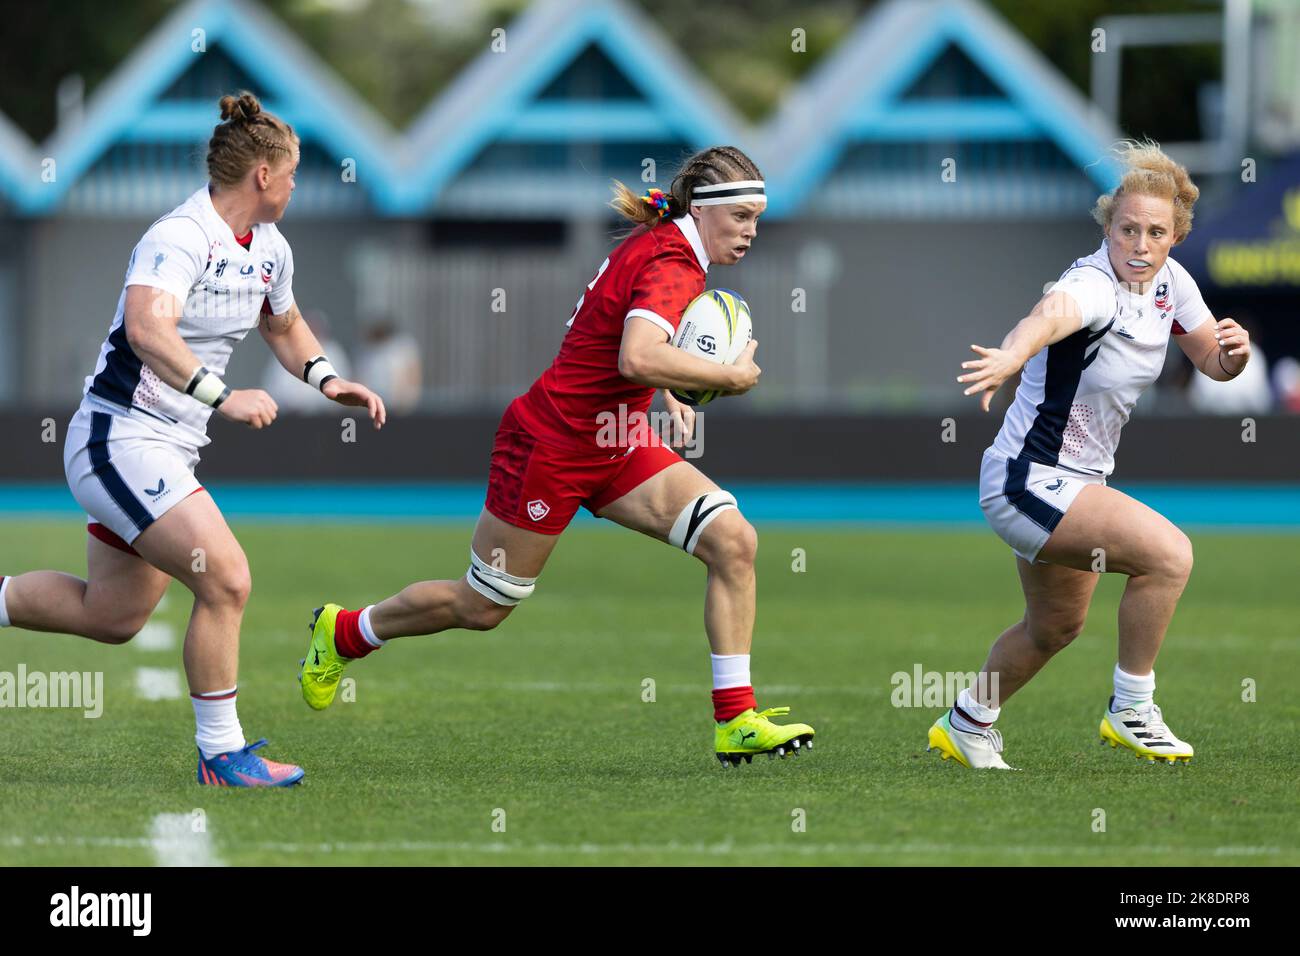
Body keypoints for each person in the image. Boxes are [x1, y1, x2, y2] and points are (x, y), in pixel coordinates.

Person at [298, 146, 815, 766]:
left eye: (758, 218)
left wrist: (674, 393)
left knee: (732, 540)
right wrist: (727, 377)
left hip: (616, 438)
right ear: (703, 212)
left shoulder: (671, 245)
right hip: (551, 445)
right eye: (742, 217)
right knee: (482, 606)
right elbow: (636, 356)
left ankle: (735, 720)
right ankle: (346, 632)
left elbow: (626, 351)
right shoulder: (673, 260)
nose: (752, 231)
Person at [0, 92, 387, 786]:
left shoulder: (270, 248)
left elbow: (283, 326)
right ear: (262, 175)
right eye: (293, 173)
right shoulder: (178, 235)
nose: (297, 186)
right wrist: (223, 395)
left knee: (113, 614)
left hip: (165, 445)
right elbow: (150, 332)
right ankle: (221, 754)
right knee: (228, 578)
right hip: (118, 439)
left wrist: (329, 381)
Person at [930, 140, 1251, 769]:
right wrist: (1012, 355)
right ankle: (1132, 708)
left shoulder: (1173, 284)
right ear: (1108, 227)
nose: (1138, 244)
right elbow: (1051, 315)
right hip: (1028, 479)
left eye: (1154, 232)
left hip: (1077, 483)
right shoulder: (1091, 284)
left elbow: (1212, 362)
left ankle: (967, 722)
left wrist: (1232, 358)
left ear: (1175, 238)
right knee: (1169, 556)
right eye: (1126, 228)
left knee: (1053, 628)